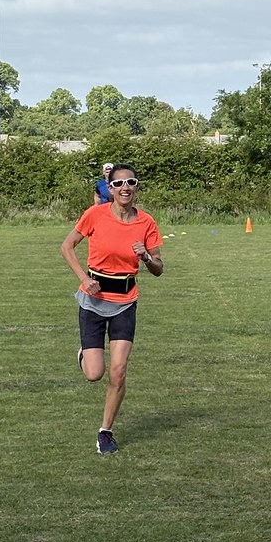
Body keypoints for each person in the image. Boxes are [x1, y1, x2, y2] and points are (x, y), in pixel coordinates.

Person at [61, 163, 164, 454]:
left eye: (130, 182)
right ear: (110, 188)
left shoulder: (146, 223)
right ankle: (84, 353)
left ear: (137, 186)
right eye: (118, 184)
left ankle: (105, 432)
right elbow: (67, 246)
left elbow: (159, 269)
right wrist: (84, 278)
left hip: (125, 303)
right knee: (95, 373)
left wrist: (145, 257)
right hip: (93, 301)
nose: (125, 188)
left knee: (118, 373)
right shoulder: (95, 215)